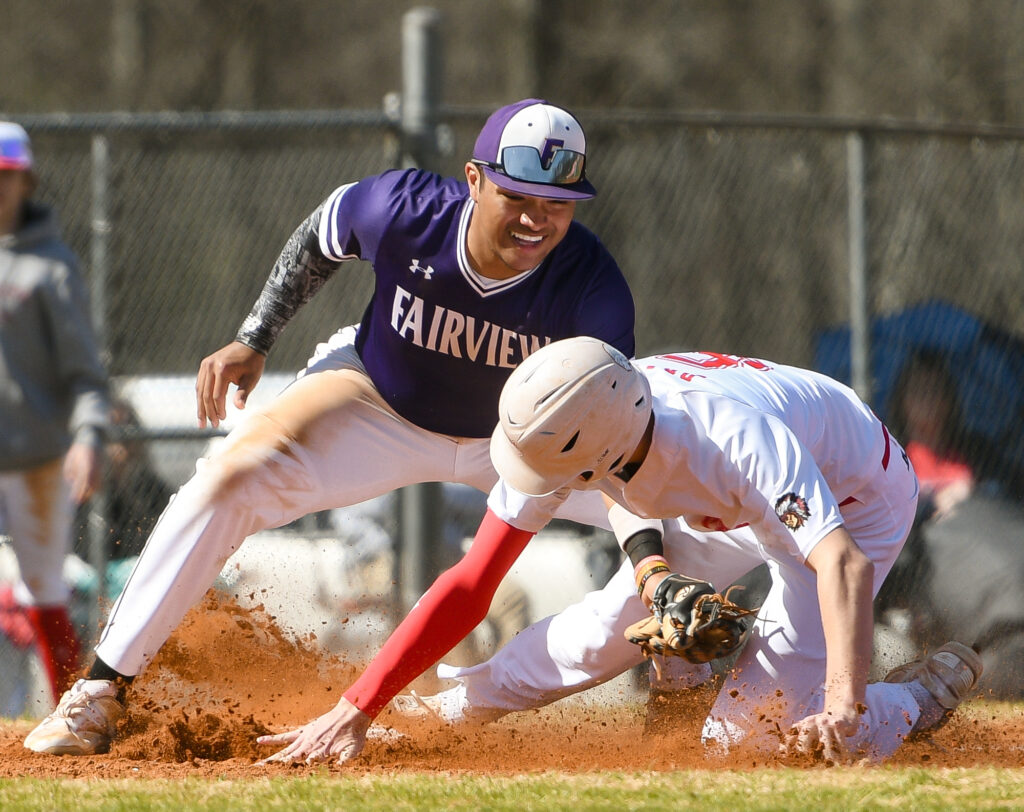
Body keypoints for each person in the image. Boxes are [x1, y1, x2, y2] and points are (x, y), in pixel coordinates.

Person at [24, 99, 636, 755]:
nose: (536, 220)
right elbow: (320, 233)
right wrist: (255, 337)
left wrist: (648, 535)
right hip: (376, 400)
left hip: (517, 441)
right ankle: (98, 694)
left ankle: (692, 692)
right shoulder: (405, 209)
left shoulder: (592, 281)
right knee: (230, 478)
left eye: (556, 204)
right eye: (518, 195)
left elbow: (612, 410)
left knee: (679, 518)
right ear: (475, 179)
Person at [251, 338, 983, 766]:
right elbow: (473, 580)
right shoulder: (599, 422)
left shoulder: (726, 440)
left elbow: (841, 564)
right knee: (604, 628)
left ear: (601, 447)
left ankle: (911, 700)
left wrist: (841, 702)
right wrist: (359, 706)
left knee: (745, 748)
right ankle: (443, 717)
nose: (537, 479)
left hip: (854, 498)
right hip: (715, 500)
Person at [0, 121, 111, 707]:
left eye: (7, 176)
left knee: (44, 591)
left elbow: (86, 375)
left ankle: (73, 712)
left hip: (34, 457)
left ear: (27, 182)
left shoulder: (50, 267)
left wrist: (87, 436)